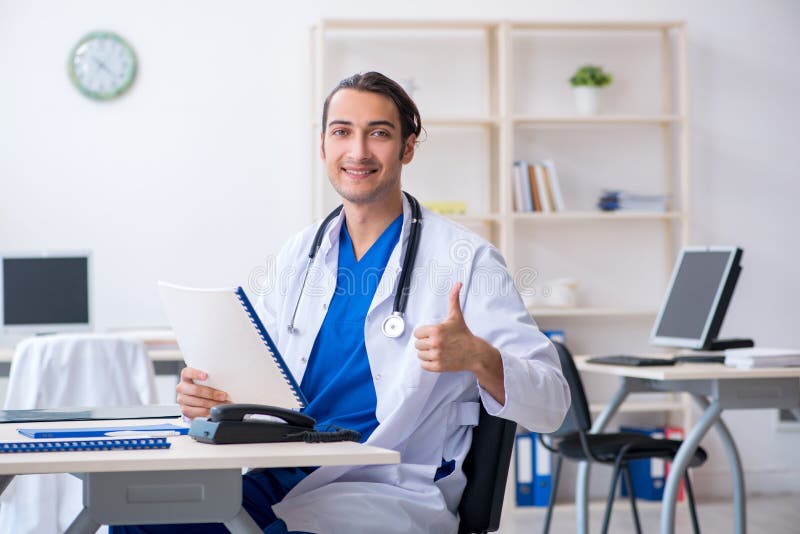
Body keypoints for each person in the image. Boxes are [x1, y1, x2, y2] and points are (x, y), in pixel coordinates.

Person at [115, 71, 570, 534]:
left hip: (383, 488)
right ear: (323, 146)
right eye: (342, 132)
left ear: (408, 148)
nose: (358, 151)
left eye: (379, 133)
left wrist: (479, 357)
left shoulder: (465, 260)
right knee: (135, 519)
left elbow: (552, 402)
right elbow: (257, 377)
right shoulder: (300, 254)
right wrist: (207, 397)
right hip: (279, 475)